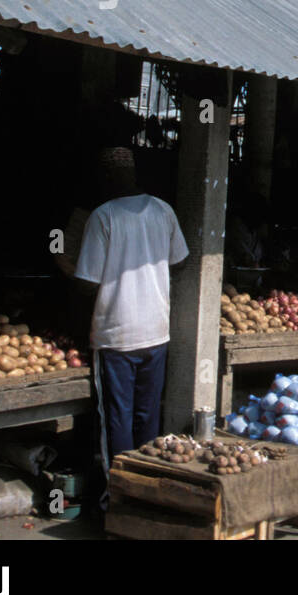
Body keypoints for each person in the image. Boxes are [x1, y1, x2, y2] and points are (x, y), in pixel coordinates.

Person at [73, 147, 188, 482]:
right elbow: (180, 260)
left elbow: (86, 282)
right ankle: (145, 484)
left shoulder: (102, 216)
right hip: (156, 331)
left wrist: (66, 269)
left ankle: (118, 491)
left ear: (107, 177)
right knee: (147, 415)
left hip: (117, 335)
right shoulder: (163, 210)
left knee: (117, 418)